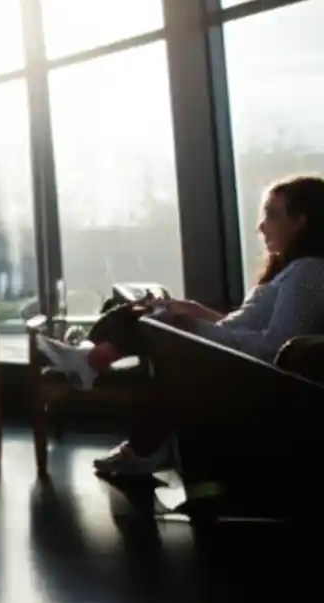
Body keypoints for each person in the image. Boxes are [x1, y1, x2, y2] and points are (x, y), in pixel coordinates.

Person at [37, 175, 324, 475]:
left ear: (301, 221)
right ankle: (94, 367)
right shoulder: (292, 271)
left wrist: (194, 330)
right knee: (144, 313)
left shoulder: (307, 274)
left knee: (153, 326)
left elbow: (273, 349)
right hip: (242, 361)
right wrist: (195, 313)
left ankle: (91, 365)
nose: (261, 226)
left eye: (272, 215)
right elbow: (247, 328)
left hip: (258, 379)